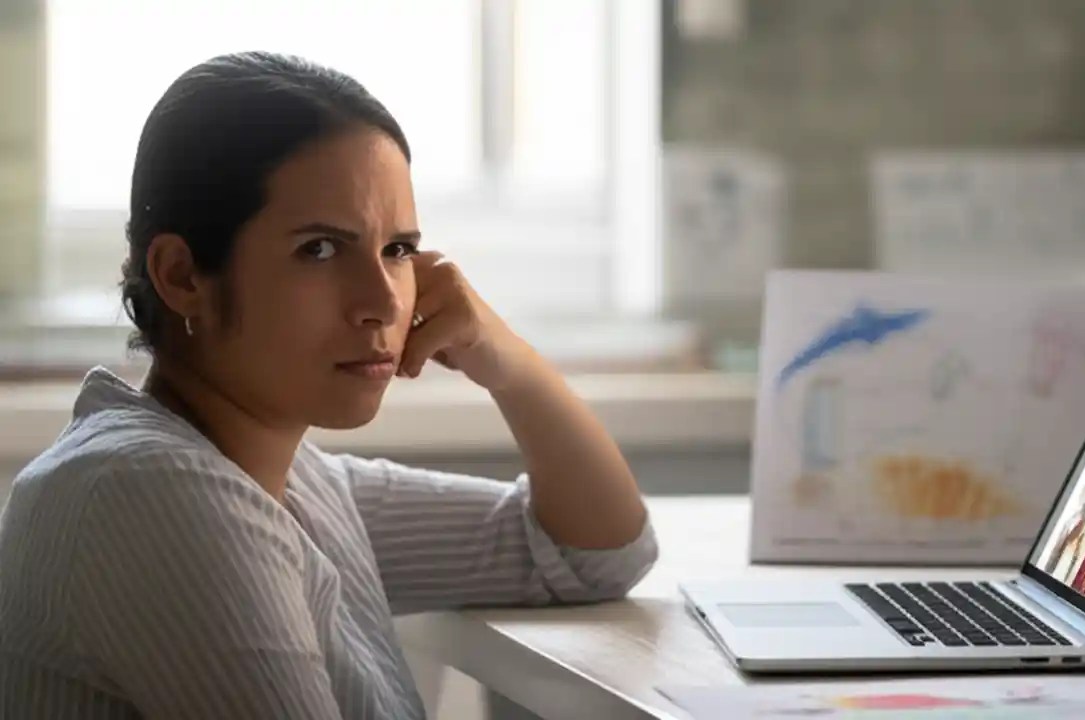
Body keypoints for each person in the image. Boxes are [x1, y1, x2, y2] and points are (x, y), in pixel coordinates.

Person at [0, 52, 658, 719]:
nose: (381, 302)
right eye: (319, 249)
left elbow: (595, 553)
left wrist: (508, 359)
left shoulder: (285, 480)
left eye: (398, 250)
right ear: (181, 275)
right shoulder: (153, 494)